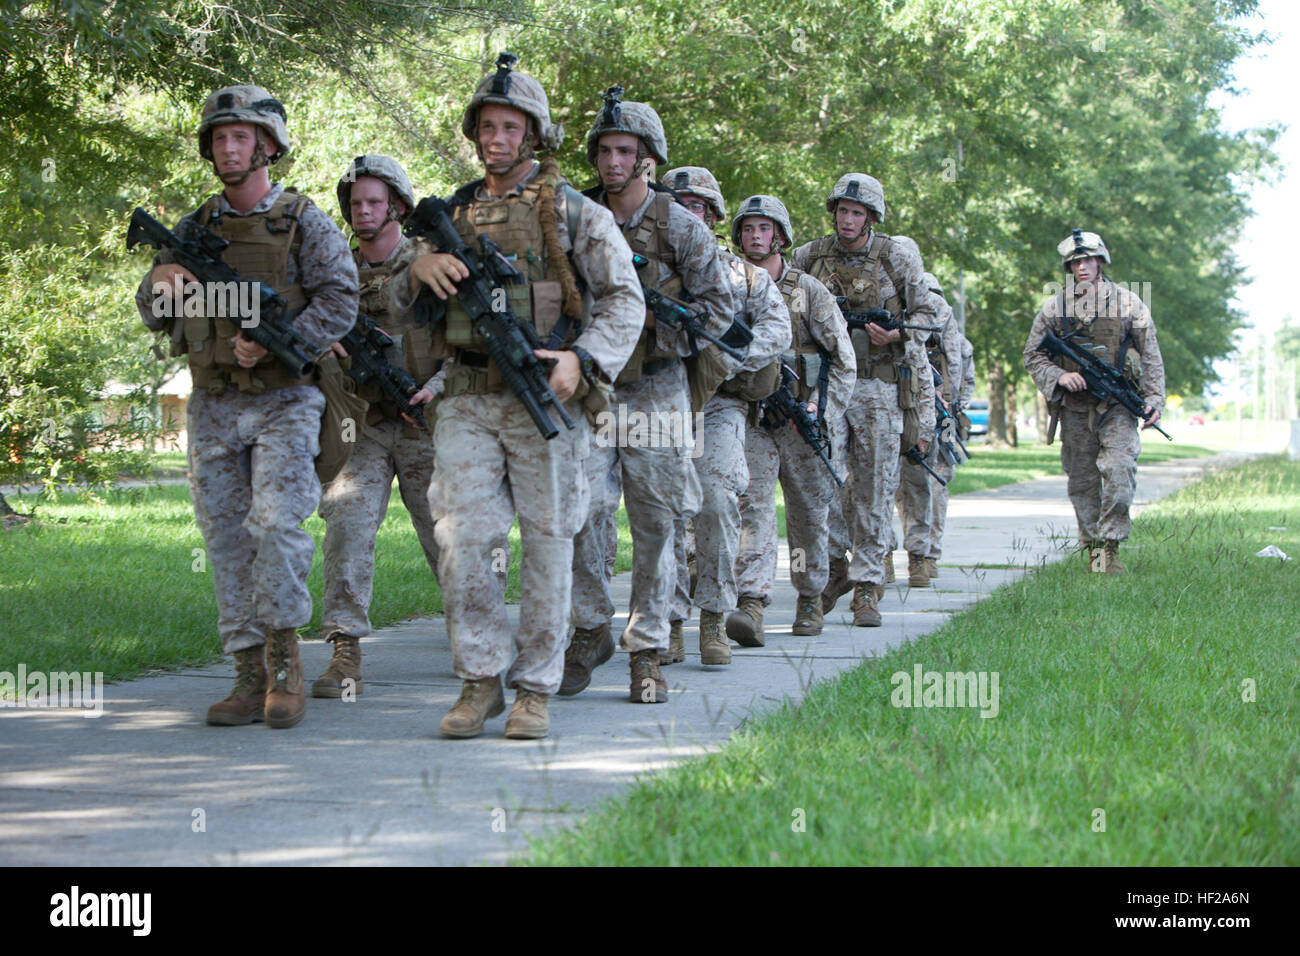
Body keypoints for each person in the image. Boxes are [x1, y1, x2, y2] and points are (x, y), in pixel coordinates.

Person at [393, 55, 643, 737]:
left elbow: (625, 300)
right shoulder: (450, 213)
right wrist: (418, 266)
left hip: (546, 397)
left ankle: (535, 685)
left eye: (511, 126)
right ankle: (479, 680)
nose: (497, 137)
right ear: (475, 132)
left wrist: (582, 359)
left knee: (548, 541)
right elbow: (396, 303)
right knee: (465, 540)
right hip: (469, 394)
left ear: (532, 134)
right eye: (488, 126)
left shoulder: (574, 211)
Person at [135, 85, 359, 728]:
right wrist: (159, 285)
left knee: (276, 527)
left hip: (286, 399)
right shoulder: (193, 228)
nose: (228, 147)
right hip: (212, 403)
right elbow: (155, 312)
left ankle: (286, 660)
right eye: (218, 137)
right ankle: (247, 669)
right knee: (225, 536)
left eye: (241, 137)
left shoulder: (303, 221)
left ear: (267, 147)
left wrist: (280, 345)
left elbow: (340, 300)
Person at [559, 89, 738, 701]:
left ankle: (648, 650)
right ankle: (588, 627)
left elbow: (719, 309)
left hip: (658, 388)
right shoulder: (576, 217)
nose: (612, 162)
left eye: (624, 151)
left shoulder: (680, 225)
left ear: (646, 158)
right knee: (579, 508)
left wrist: (656, 327)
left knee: (657, 524)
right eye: (605, 150)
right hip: (591, 387)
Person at [312, 155, 440, 700]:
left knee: (450, 536)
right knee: (346, 522)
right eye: (355, 203)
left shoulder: (430, 265)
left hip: (426, 422)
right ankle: (345, 650)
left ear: (398, 208)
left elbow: (469, 339)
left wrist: (440, 385)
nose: (363, 212)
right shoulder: (333, 270)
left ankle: (476, 636)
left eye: (374, 202)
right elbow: (304, 326)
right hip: (361, 423)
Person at [791, 173, 935, 627]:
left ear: (871, 217)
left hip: (879, 384)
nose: (847, 220)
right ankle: (830, 570)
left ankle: (869, 583)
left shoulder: (896, 256)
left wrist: (898, 332)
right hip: (825, 384)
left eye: (857, 213)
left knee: (874, 485)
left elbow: (931, 315)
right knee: (822, 481)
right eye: (842, 211)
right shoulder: (810, 256)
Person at [659, 168, 790, 664]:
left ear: (712, 216)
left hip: (718, 402)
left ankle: (713, 617)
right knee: (665, 510)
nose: (689, 213)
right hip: (658, 399)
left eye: (698, 206)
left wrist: (727, 358)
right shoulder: (644, 265)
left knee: (716, 501)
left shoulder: (745, 275)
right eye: (679, 204)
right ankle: (668, 622)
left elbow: (778, 328)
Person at [730, 194, 854, 637]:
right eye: (748, 228)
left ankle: (809, 598)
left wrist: (825, 409)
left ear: (780, 237)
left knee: (807, 515)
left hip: (802, 421)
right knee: (753, 508)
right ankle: (752, 601)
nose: (755, 236)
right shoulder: (729, 283)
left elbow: (843, 359)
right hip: (753, 419)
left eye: (764, 229)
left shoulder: (808, 290)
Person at [1023, 229, 1165, 573]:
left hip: (1116, 407)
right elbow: (1033, 355)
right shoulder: (1055, 307)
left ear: (1100, 261)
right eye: (1075, 262)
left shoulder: (1129, 303)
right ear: (1068, 268)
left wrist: (1154, 398)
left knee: (1119, 471)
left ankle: (1111, 543)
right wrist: (1059, 377)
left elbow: (1150, 354)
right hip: (1073, 407)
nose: (1082, 267)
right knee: (1083, 483)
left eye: (1087, 260)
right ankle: (1096, 554)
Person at [891, 247, 962, 588]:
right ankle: (881, 556)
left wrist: (949, 403)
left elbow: (955, 358)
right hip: (883, 395)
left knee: (926, 480)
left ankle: (923, 554)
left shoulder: (934, 308)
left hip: (927, 401)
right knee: (876, 486)